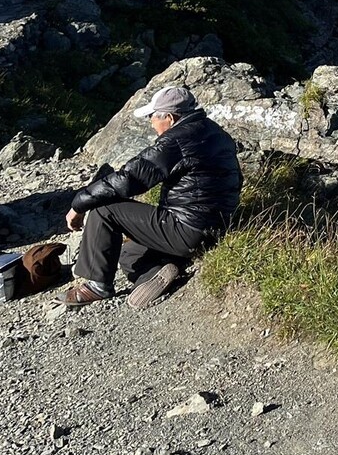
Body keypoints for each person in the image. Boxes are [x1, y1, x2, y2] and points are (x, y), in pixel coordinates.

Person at [61, 86, 242, 309]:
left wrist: (78, 204)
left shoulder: (175, 140)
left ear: (169, 117)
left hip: (187, 230)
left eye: (152, 116)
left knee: (103, 209)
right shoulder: (215, 133)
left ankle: (97, 287)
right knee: (129, 254)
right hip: (217, 228)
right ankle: (160, 274)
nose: (151, 123)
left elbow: (129, 178)